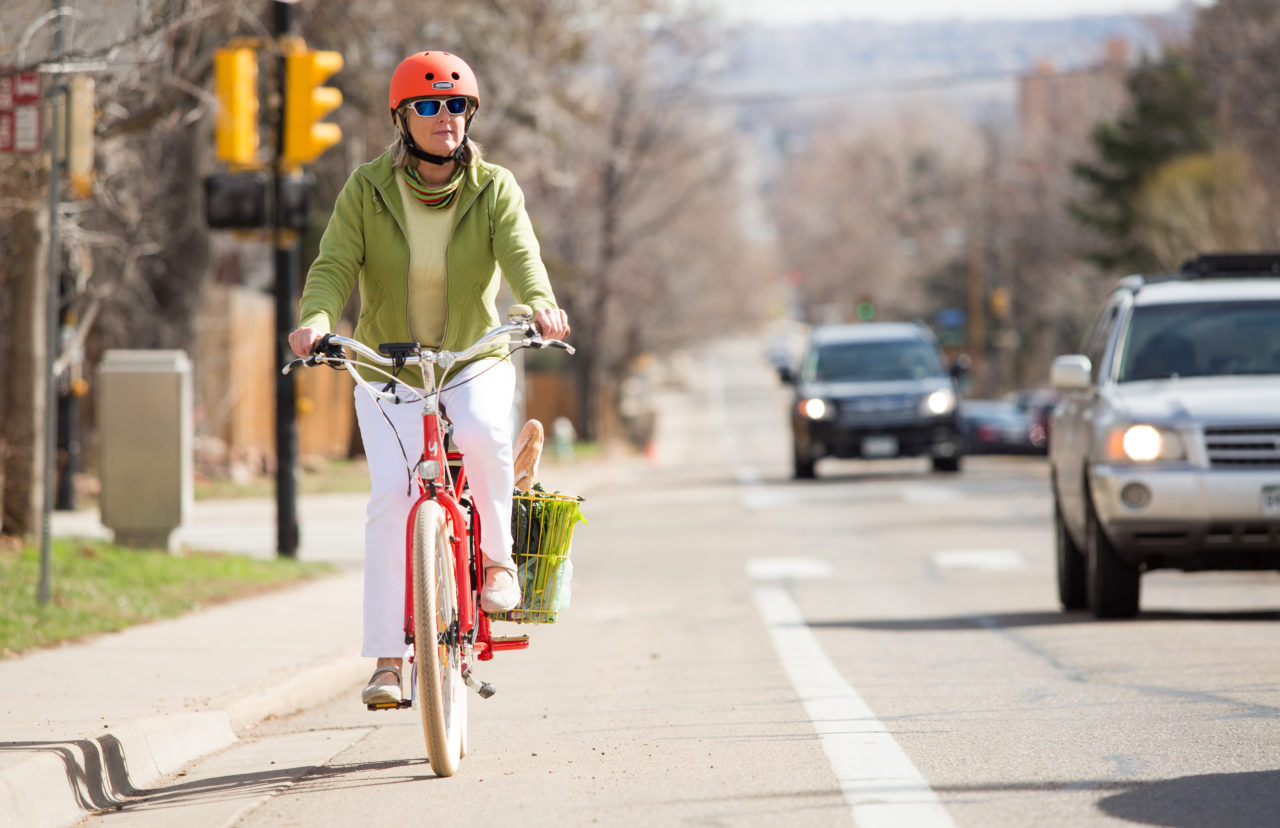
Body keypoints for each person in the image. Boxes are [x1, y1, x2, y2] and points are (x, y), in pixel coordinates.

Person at [288, 50, 570, 706]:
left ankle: (498, 567)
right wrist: (316, 318)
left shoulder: (494, 186)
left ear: (469, 115)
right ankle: (388, 661)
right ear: (402, 118)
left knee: (477, 432)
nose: (443, 116)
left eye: (455, 105)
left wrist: (538, 305)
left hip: (472, 357)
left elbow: (522, 256)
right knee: (391, 495)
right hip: (387, 368)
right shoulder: (366, 187)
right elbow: (334, 264)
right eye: (427, 105)